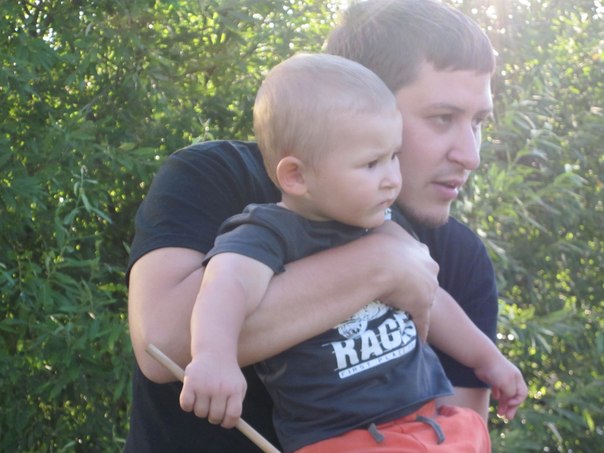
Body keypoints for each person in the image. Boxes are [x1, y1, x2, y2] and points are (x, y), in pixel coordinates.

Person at [125, 1, 528, 451]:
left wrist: (491, 360)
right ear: (360, 99)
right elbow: (162, 348)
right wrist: (382, 263)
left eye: (478, 122)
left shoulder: (460, 256)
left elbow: (454, 433)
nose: (471, 156)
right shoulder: (215, 178)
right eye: (442, 119)